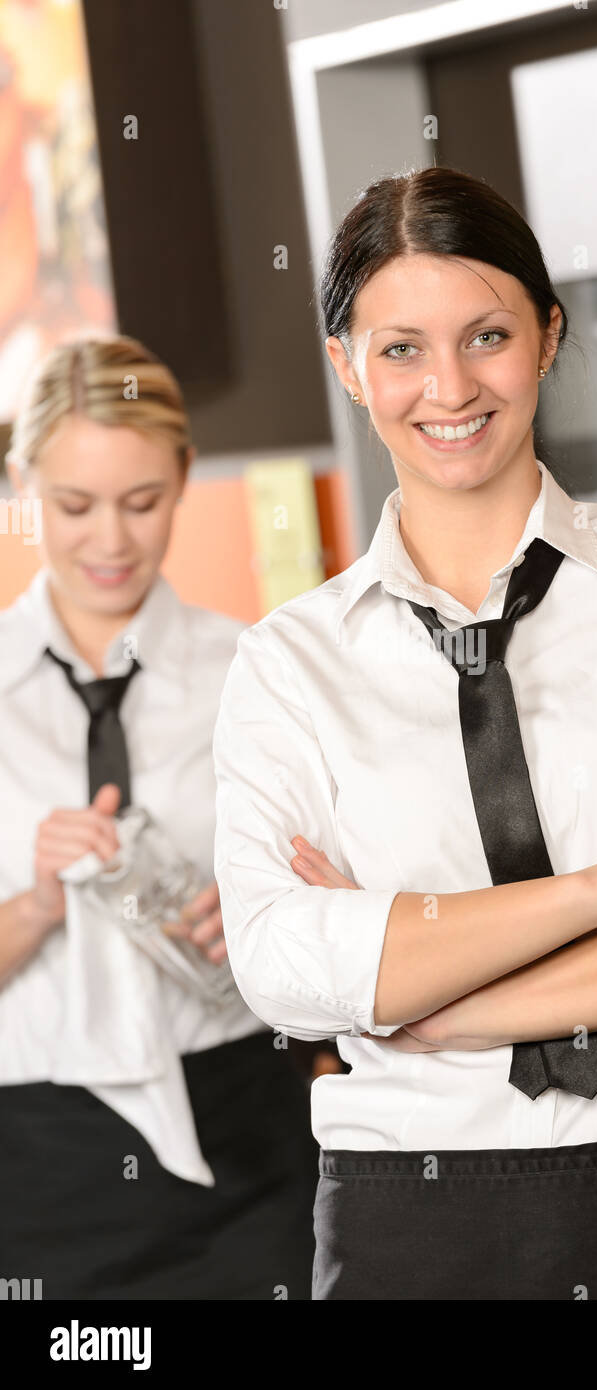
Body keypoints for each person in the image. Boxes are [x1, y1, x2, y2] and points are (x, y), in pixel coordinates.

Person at [211, 167, 597, 1301]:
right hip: (412, 1219)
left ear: (545, 336)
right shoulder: (289, 662)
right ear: (347, 364)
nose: (448, 385)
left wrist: (435, 995)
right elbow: (286, 969)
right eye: (399, 348)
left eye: (486, 334)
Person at [0, 334, 320, 1299]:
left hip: (250, 1123)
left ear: (184, 477)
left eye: (142, 503)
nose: (110, 541)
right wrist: (35, 904)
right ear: (22, 486)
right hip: (38, 1158)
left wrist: (270, 915)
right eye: (73, 505)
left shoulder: (259, 670)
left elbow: (356, 920)